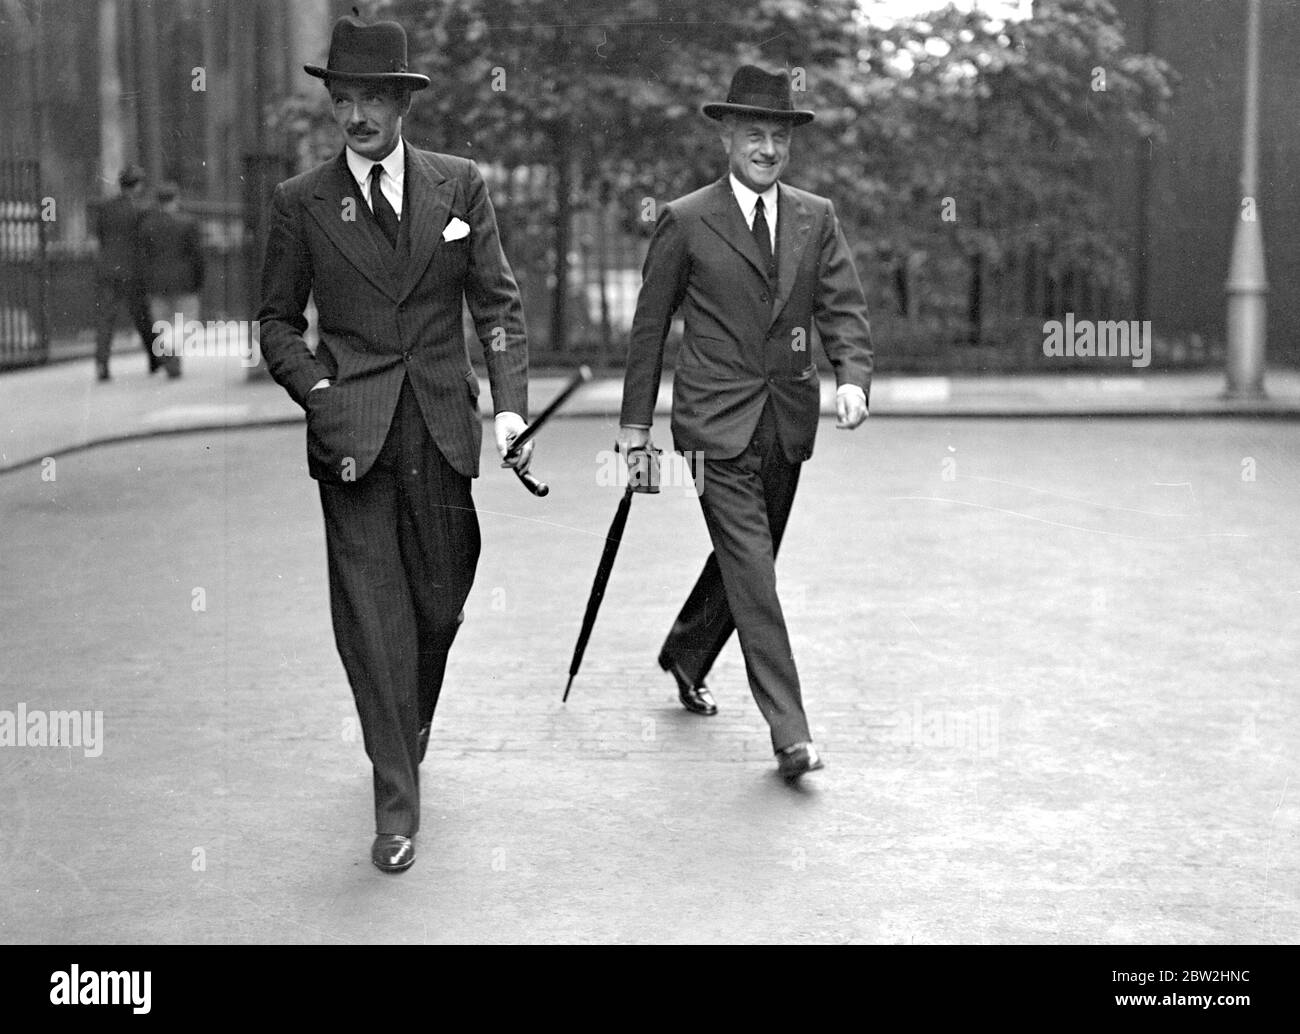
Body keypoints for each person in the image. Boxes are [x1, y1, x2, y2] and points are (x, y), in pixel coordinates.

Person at [258, 14, 531, 872]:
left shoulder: (460, 186)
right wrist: (320, 392)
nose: (357, 115)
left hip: (443, 427)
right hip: (353, 437)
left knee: (441, 605)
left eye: (372, 97)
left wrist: (511, 411)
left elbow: (498, 307)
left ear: (401, 102)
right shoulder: (301, 201)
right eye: (344, 99)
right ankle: (396, 804)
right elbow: (273, 322)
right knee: (375, 621)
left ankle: (404, 730)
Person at [618, 66, 874, 781]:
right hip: (712, 427)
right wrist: (635, 434)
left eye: (778, 136)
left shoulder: (814, 216)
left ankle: (686, 650)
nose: (767, 148)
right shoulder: (686, 219)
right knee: (754, 572)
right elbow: (648, 331)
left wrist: (853, 379)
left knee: (746, 562)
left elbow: (843, 309)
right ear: (726, 135)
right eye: (753, 133)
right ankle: (791, 733)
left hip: (785, 424)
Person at [90, 165, 154, 381]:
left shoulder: (106, 208)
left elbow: (100, 235)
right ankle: (155, 359)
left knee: (106, 319)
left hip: (107, 269)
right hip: (132, 271)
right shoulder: (140, 209)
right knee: (142, 317)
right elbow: (144, 241)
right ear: (136, 185)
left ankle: (102, 364)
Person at [139, 181, 204, 379]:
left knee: (163, 323)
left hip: (156, 282)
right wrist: (199, 279)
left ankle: (172, 358)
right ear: (176, 198)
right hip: (184, 281)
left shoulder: (147, 225)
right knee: (188, 321)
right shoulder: (188, 223)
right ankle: (171, 350)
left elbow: (142, 257)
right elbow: (197, 255)